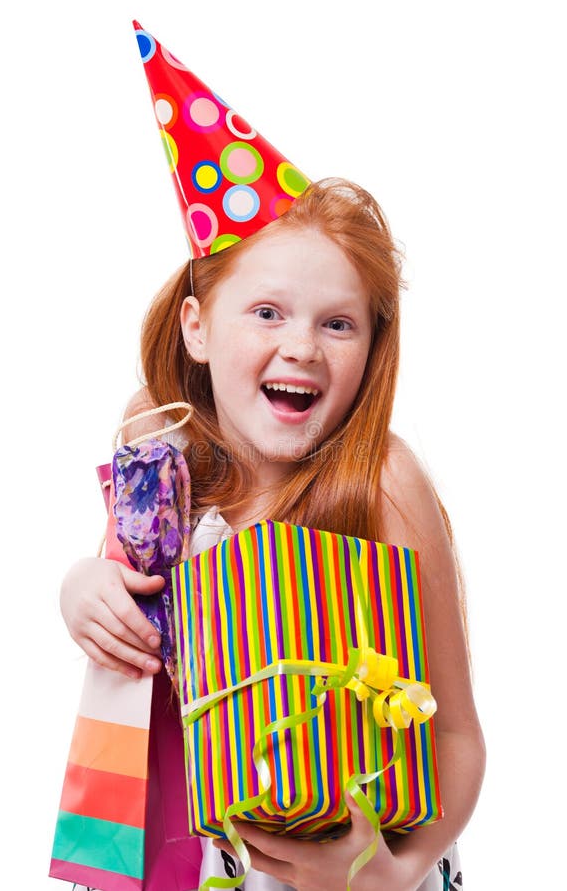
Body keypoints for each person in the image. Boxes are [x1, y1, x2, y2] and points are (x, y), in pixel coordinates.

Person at [60, 174, 485, 891]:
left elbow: (455, 737)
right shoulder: (166, 457)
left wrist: (395, 873)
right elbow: (134, 607)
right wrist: (82, 589)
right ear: (197, 327)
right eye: (267, 312)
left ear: (373, 346)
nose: (302, 347)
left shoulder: (381, 482)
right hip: (185, 863)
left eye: (337, 323)